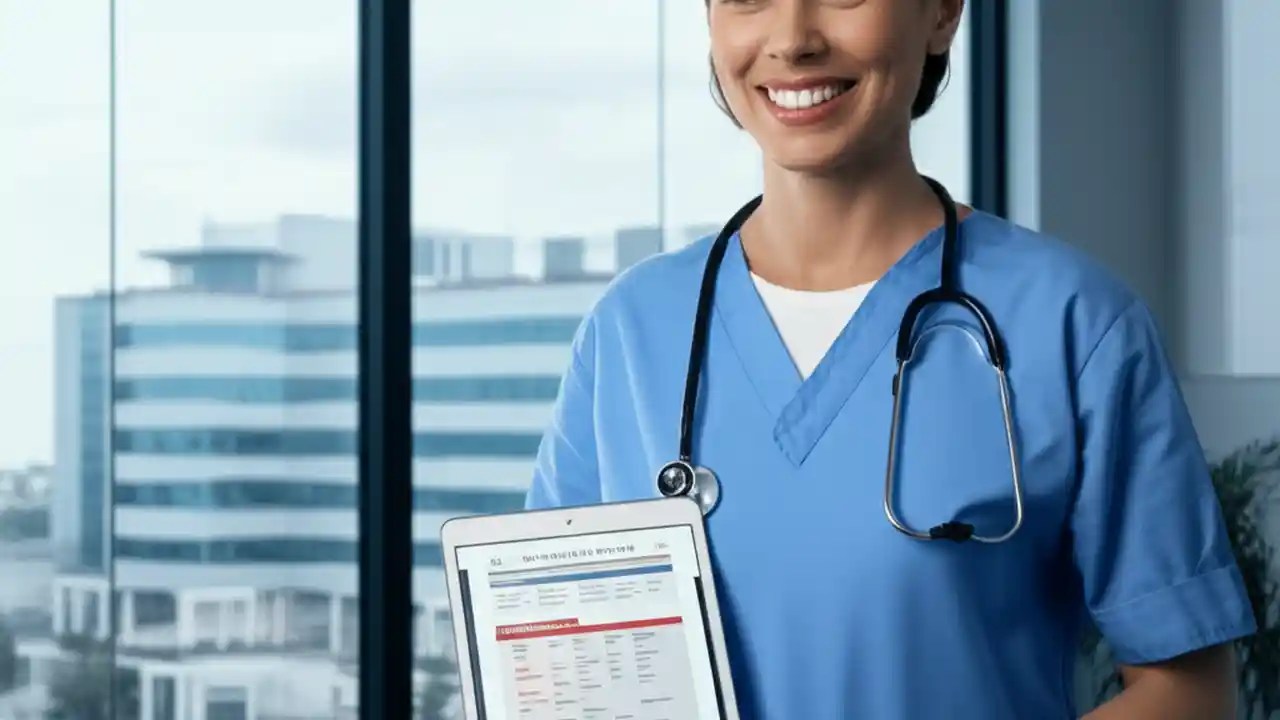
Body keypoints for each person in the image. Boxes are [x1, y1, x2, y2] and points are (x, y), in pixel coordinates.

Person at [525, 0, 1257, 717]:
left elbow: (1188, 691)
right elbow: (550, 674)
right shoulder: (630, 332)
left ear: (942, 13)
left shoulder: (1073, 323)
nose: (793, 37)